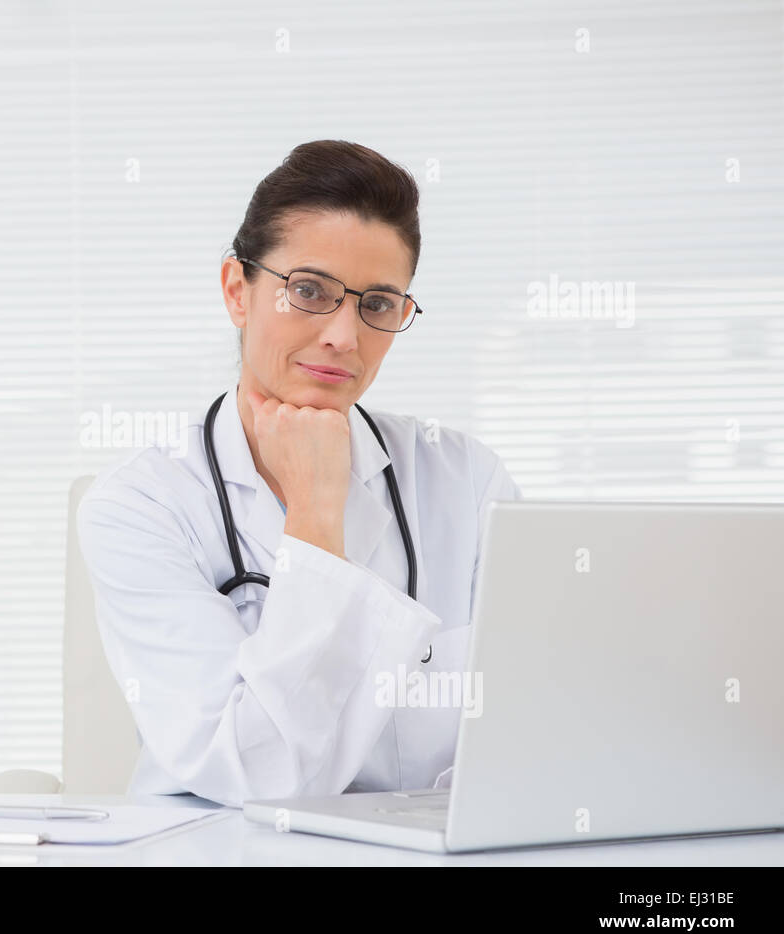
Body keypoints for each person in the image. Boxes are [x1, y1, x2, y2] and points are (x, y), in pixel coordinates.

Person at [75, 140, 522, 809]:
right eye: (309, 291)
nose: (345, 334)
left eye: (377, 303)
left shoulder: (467, 480)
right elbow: (259, 780)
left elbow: (525, 744)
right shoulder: (141, 505)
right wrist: (315, 510)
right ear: (237, 290)